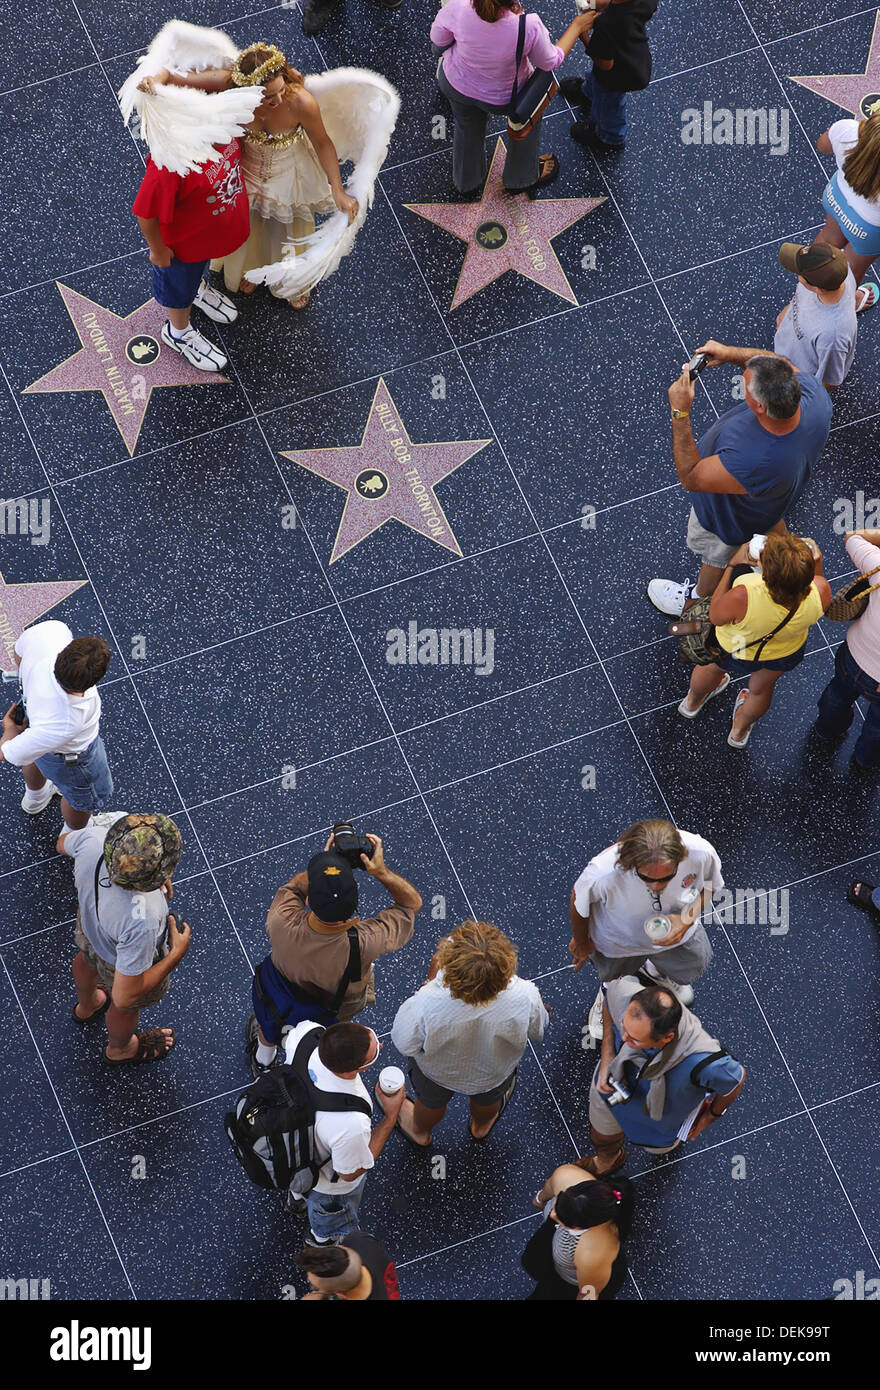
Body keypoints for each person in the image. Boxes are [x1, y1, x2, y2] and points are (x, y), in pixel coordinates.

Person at [148, 44, 359, 310]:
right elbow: (176, 76)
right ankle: (253, 268)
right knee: (249, 225)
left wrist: (337, 188)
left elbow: (323, 143)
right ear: (248, 91)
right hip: (245, 172)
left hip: (289, 176)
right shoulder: (229, 85)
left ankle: (291, 280)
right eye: (269, 96)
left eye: (281, 89)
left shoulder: (300, 101)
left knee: (286, 230)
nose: (279, 100)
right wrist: (154, 82)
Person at [648, 342, 832, 618]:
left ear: (759, 405)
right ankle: (778, 560)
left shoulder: (753, 460)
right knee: (771, 521)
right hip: (774, 497)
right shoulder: (815, 395)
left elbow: (690, 476)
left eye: (745, 385)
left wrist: (680, 412)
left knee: (717, 551)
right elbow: (780, 363)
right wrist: (731, 354)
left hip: (733, 514)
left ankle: (696, 598)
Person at [247, 834, 421, 1078]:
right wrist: (381, 872)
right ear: (353, 909)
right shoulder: (365, 942)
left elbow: (295, 887)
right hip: (332, 1004)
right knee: (325, 1035)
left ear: (309, 900)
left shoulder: (282, 920)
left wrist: (328, 862)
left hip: (278, 989)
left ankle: (263, 1060)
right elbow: (410, 905)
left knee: (269, 1022)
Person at [390, 919, 548, 1144]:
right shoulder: (526, 995)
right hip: (493, 1073)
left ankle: (420, 1130)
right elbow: (538, 1029)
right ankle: (481, 1126)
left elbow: (404, 1042)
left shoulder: (426, 1002)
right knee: (487, 1101)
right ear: (506, 962)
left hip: (436, 1073)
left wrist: (428, 981)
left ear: (450, 970)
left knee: (430, 1104)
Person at [570, 819, 722, 1045]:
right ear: (629, 862)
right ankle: (608, 997)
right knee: (612, 977)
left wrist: (686, 919)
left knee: (694, 963)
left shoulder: (701, 852)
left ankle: (657, 972)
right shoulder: (601, 872)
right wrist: (582, 941)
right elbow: (578, 900)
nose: (657, 886)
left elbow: (710, 884)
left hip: (674, 933)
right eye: (647, 878)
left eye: (666, 877)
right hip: (617, 942)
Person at [578, 977, 745, 1175]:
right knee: (602, 1137)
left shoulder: (704, 1060)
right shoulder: (623, 992)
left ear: (666, 1038)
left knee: (657, 1148)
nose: (623, 1038)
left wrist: (712, 1115)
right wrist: (607, 1055)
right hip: (611, 1084)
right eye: (624, 1026)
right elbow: (608, 999)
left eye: (634, 1039)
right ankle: (607, 1160)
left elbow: (737, 1079)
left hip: (662, 1117)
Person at [57, 813, 189, 1064]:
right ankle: (121, 1048)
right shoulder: (144, 919)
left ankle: (87, 1006)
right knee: (125, 1008)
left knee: (86, 961)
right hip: (118, 959)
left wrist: (147, 873)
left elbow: (62, 843)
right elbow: (124, 996)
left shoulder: (92, 839)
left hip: (88, 928)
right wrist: (175, 955)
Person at [131, 92, 250, 370]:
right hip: (182, 249)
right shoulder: (169, 165)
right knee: (178, 289)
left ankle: (196, 290)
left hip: (208, 238)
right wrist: (158, 250)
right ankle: (178, 332)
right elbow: (145, 213)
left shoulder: (226, 128)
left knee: (195, 276)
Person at [678, 533, 831, 747]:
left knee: (712, 669)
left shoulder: (745, 593)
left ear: (766, 575)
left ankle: (692, 704)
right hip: (784, 653)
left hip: (738, 647)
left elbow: (716, 616)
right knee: (761, 689)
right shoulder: (821, 591)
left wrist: (732, 565)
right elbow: (819, 582)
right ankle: (739, 732)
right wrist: (817, 563)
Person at [431, 0, 598, 195]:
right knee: (528, 126)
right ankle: (521, 178)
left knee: (466, 126)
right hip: (505, 98)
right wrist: (577, 26)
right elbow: (550, 61)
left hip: (456, 85)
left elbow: (438, 41)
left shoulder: (457, 6)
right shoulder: (528, 25)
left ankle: (466, 182)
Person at [282, 1019, 404, 1244]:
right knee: (328, 1218)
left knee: (296, 1182)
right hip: (326, 1184)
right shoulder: (351, 1121)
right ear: (353, 1071)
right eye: (374, 1054)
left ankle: (295, 1199)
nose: (380, 1044)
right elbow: (349, 1173)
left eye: (369, 1033)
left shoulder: (307, 1032)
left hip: (288, 1145)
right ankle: (323, 1242)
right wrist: (390, 1117)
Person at [0, 621, 112, 831]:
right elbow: (5, 753)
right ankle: (75, 834)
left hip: (35, 725)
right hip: (73, 759)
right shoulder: (68, 721)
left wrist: (16, 730)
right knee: (84, 799)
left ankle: (35, 798)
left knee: (36, 754)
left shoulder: (51, 632)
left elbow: (18, 655)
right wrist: (9, 733)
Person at [814, 526, 880, 770]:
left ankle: (827, 730)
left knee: (837, 696)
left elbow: (854, 538)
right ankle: (866, 758)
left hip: (854, 657)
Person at [561, 0, 658, 154]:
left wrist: (583, 35)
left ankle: (610, 138)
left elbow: (604, 64)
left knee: (609, 102)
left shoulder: (605, 24)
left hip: (617, 76)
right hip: (634, 53)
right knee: (596, 80)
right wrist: (596, 4)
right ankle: (588, 92)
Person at [522, 1166, 633, 1300]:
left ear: (584, 1226)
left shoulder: (593, 1255)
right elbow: (553, 1183)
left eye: (563, 1220)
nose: (553, 1214)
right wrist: (540, 1198)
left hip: (569, 1283)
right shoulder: (568, 1176)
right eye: (559, 1203)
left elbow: (588, 1292)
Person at [817, 112, 880, 313]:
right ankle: (844, 302)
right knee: (852, 267)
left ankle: (809, 279)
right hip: (866, 228)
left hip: (836, 197)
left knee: (827, 239)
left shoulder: (847, 130)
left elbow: (822, 146)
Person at [773, 241, 857, 391]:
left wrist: (799, 394)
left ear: (817, 289)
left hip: (797, 377)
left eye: (799, 273)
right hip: (787, 348)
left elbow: (831, 381)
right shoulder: (841, 269)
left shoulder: (832, 336)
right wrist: (790, 308)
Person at [295, 1234, 401, 1299]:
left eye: (312, 1282)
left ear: (339, 1294)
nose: (308, 1278)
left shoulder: (359, 1240)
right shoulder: (359, 1240)